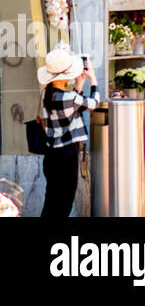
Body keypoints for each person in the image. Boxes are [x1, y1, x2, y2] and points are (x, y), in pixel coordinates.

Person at [37, 48, 97, 217]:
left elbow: (69, 110)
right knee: (63, 205)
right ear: (65, 75)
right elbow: (93, 103)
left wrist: (78, 86)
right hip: (66, 156)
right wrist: (93, 80)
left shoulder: (46, 94)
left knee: (52, 204)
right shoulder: (67, 97)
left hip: (52, 156)